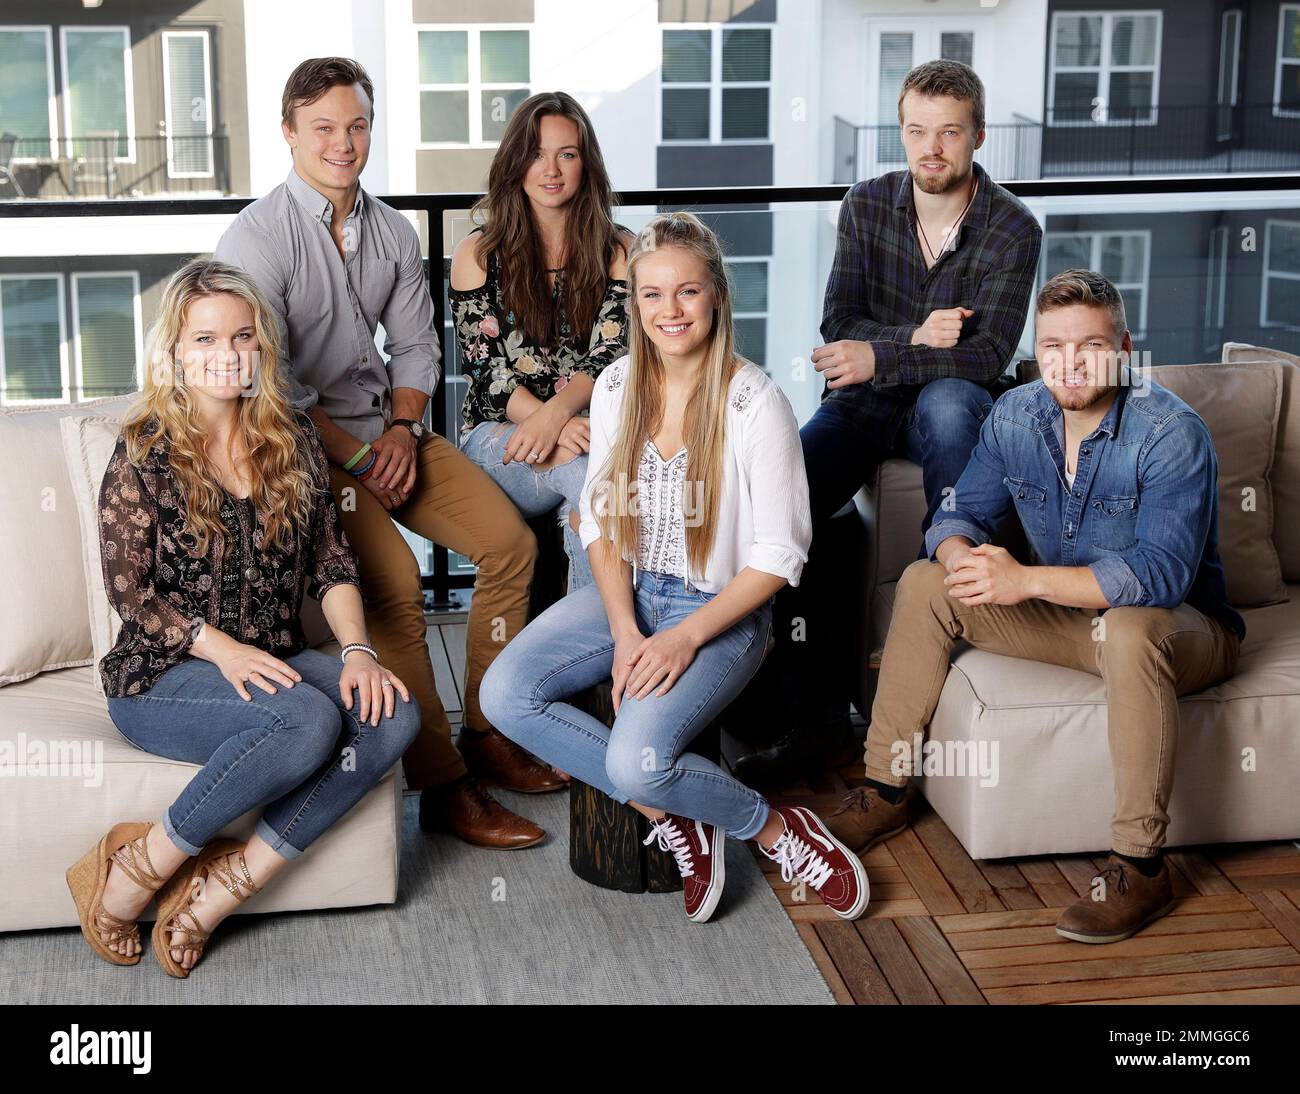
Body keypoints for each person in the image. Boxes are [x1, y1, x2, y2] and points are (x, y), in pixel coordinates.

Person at [825, 269, 1245, 944]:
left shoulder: (1171, 433)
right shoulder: (1018, 415)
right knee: (926, 583)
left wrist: (1024, 582)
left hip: (1180, 633)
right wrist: (960, 553)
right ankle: (887, 788)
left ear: (1125, 348)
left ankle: (1141, 865)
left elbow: (1160, 575)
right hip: (1076, 626)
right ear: (1037, 350)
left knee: (1132, 628)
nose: (1070, 363)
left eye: (1089, 346)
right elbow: (962, 509)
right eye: (1054, 347)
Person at [214, 57, 562, 852]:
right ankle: (442, 785)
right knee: (397, 587)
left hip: (390, 434)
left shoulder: (394, 231)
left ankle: (488, 731)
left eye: (358, 125)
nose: (344, 143)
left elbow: (415, 349)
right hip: (306, 452)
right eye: (325, 128)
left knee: (509, 545)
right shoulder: (255, 238)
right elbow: (275, 383)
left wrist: (402, 433)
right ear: (290, 133)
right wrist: (361, 460)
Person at [480, 213, 869, 923]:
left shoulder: (755, 402)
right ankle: (677, 811)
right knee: (505, 695)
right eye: (652, 295)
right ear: (635, 305)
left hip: (720, 611)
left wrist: (681, 638)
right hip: (627, 595)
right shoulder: (616, 386)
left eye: (687, 292)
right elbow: (597, 519)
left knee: (636, 760)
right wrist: (628, 632)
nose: (670, 311)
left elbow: (781, 557)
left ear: (716, 295)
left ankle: (777, 829)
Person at [66, 259, 421, 977]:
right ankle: (138, 866)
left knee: (392, 716)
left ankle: (223, 889)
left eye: (241, 337)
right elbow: (129, 590)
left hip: (273, 662)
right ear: (173, 352)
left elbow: (331, 561)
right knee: (307, 721)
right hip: (163, 677)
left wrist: (357, 651)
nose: (225, 355)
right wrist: (219, 649)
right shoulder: (142, 450)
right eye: (204, 340)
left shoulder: (290, 437)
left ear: (262, 347)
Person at [735, 60, 1043, 788]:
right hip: (863, 407)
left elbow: (987, 355)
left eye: (948, 133)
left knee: (949, 404)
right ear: (901, 131)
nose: (930, 149)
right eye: (916, 131)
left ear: (977, 136)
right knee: (788, 492)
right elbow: (837, 325)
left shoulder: (1011, 230)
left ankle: (955, 623)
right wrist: (913, 341)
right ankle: (811, 720)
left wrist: (881, 354)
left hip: (956, 406)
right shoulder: (867, 204)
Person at [451, 91, 632, 594]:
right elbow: (488, 374)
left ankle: (584, 653)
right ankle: (603, 643)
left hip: (582, 427)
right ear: (516, 163)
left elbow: (614, 355)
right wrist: (546, 418)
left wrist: (560, 417)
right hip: (497, 435)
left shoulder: (619, 248)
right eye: (535, 153)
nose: (550, 170)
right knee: (588, 472)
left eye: (567, 154)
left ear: (586, 164)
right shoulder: (479, 253)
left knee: (586, 487)